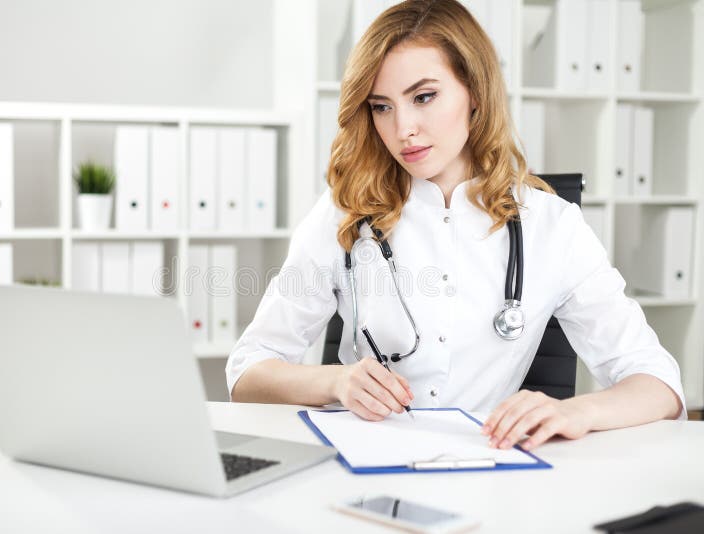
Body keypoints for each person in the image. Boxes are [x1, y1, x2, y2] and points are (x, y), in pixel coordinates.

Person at [226, 0, 685, 451]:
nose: (403, 127)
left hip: (487, 469)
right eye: (381, 106)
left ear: (476, 94)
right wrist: (335, 381)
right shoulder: (343, 212)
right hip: (363, 463)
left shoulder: (552, 226)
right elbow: (247, 372)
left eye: (423, 97)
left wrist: (575, 412)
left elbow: (658, 383)